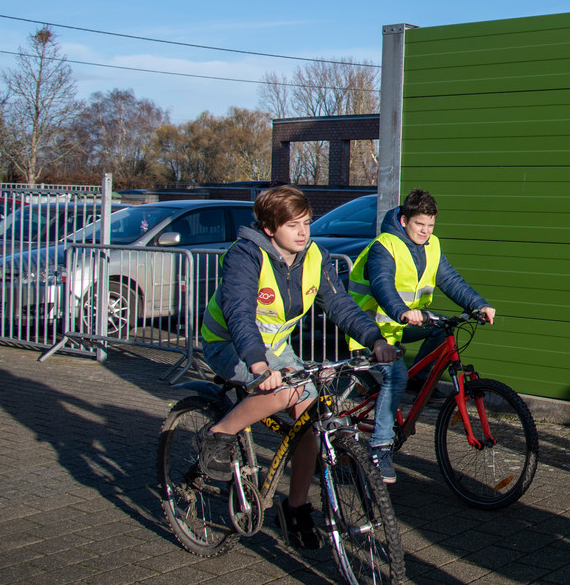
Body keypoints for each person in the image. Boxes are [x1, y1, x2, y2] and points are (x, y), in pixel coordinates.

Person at [197, 185, 399, 551]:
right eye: (294, 225)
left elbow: (341, 306)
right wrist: (258, 364)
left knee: (311, 416)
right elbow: (239, 314)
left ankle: (295, 507)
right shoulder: (246, 255)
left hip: (276, 348)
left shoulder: (313, 257)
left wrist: (376, 340)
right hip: (230, 345)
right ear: (271, 228)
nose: (304, 232)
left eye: (306, 222)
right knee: (286, 390)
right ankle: (219, 434)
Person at [348, 188, 495, 484]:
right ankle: (379, 448)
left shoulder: (432, 246)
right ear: (404, 220)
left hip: (401, 326)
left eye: (430, 226)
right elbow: (381, 285)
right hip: (371, 331)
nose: (425, 232)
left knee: (444, 329)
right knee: (395, 376)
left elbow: (450, 280)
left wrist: (478, 303)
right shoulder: (385, 246)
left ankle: (421, 379)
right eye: (419, 226)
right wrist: (401, 310)